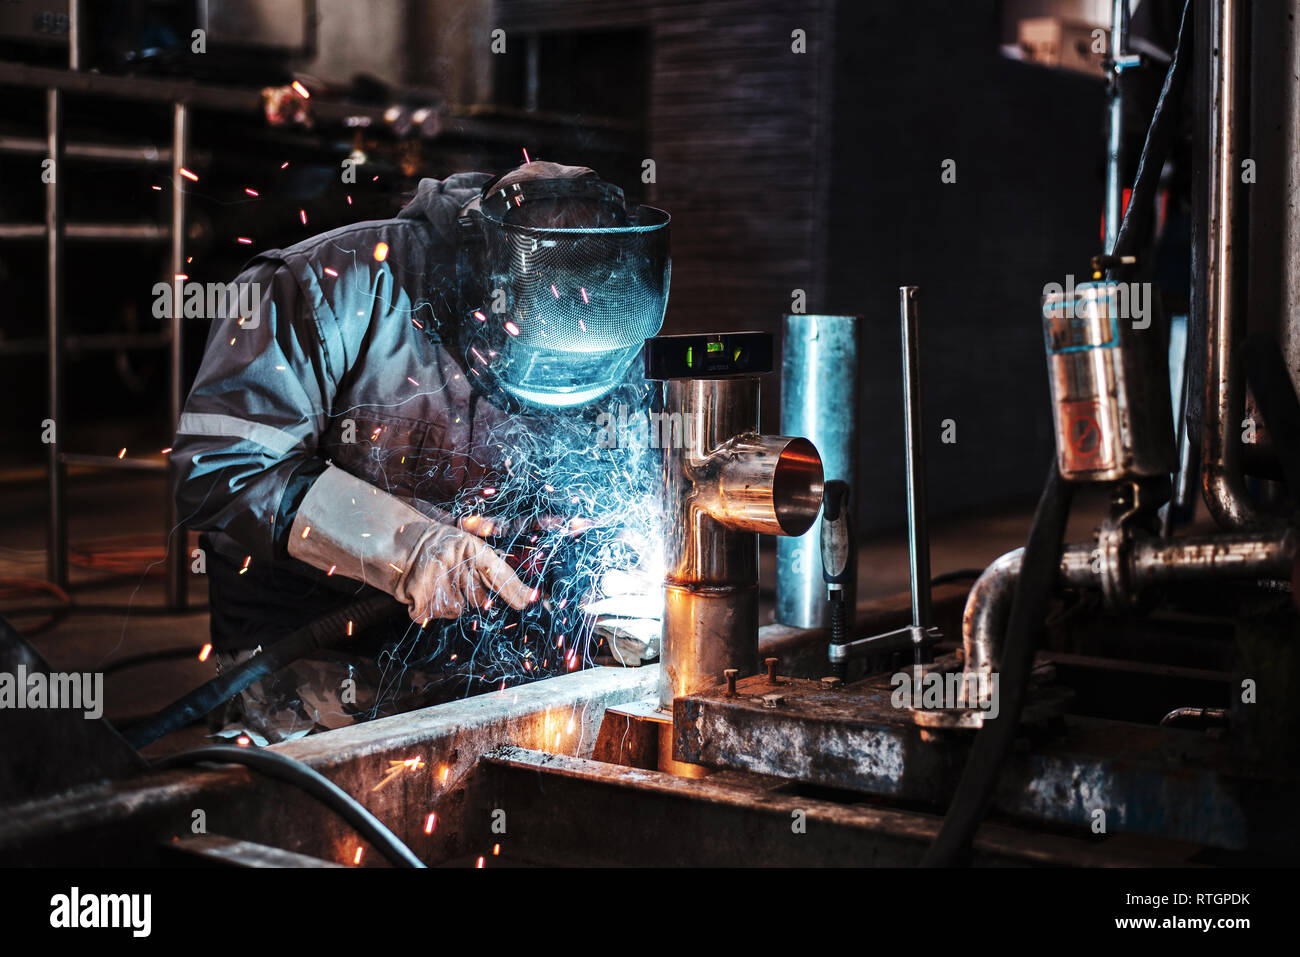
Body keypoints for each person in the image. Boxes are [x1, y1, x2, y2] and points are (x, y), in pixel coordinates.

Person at [170, 160, 670, 740]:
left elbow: (620, 485)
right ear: (486, 286)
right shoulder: (325, 285)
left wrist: (618, 564)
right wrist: (411, 546)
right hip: (305, 642)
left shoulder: (605, 307)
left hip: (484, 654)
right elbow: (219, 467)